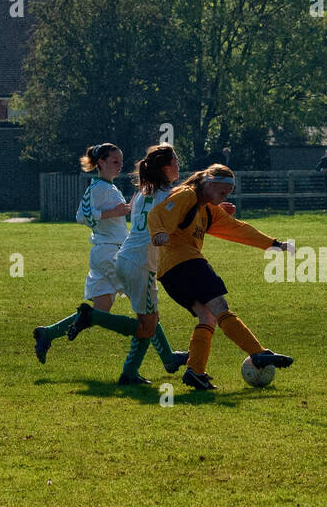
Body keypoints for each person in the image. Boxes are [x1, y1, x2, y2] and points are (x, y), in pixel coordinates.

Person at [148, 163, 295, 390]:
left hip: (169, 273)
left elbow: (237, 229)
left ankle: (195, 371)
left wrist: (273, 245)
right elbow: (157, 213)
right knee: (219, 306)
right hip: (186, 263)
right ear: (208, 183)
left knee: (207, 316)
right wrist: (158, 233)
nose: (224, 197)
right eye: (222, 192)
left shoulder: (207, 208)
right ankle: (258, 353)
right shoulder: (187, 195)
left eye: (227, 194)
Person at [68, 143, 190, 383]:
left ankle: (133, 371)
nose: (178, 166)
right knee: (147, 322)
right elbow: (83, 216)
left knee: (148, 318)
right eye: (175, 162)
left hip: (125, 255)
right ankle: (93, 318)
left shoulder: (142, 194)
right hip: (128, 258)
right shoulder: (163, 197)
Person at [33, 143, 139, 364]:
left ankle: (48, 333)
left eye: (121, 161)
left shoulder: (109, 187)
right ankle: (167, 358)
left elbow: (111, 216)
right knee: (144, 304)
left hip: (107, 252)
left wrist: (127, 207)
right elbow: (82, 217)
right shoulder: (98, 187)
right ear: (100, 163)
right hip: (110, 254)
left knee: (100, 312)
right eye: (114, 162)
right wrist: (114, 212)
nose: (119, 166)